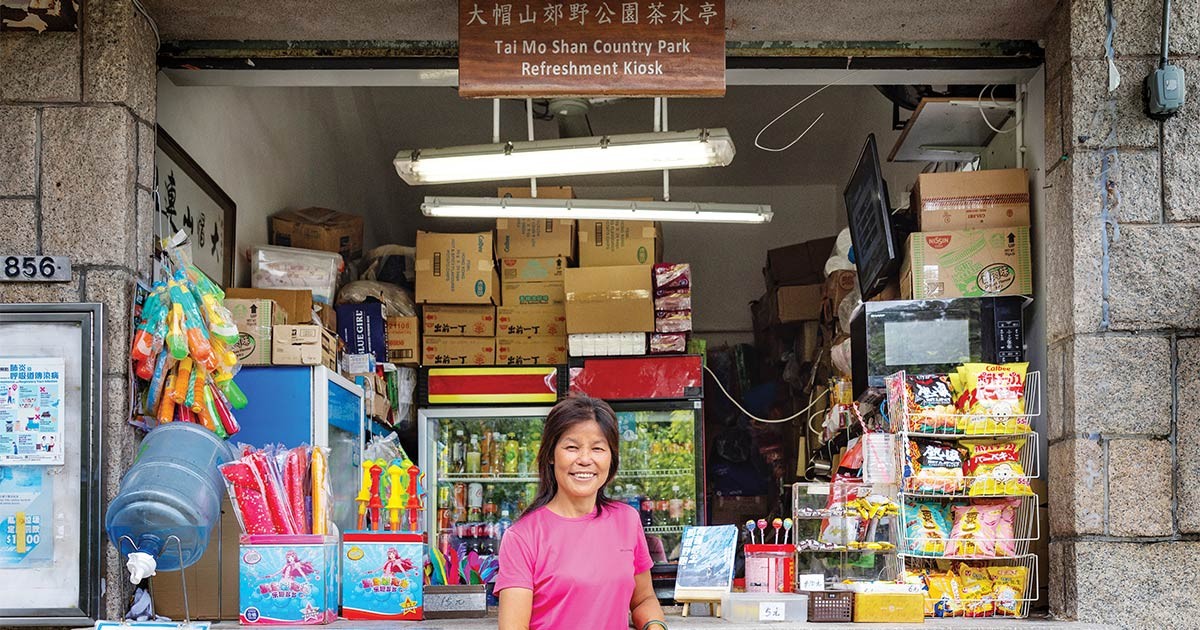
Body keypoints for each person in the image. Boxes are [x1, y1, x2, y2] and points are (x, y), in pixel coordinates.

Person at [496, 395, 668, 630]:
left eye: (597, 448)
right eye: (572, 447)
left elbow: (643, 600)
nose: (585, 459)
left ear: (611, 458)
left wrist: (655, 626)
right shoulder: (522, 537)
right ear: (550, 455)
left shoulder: (627, 520)